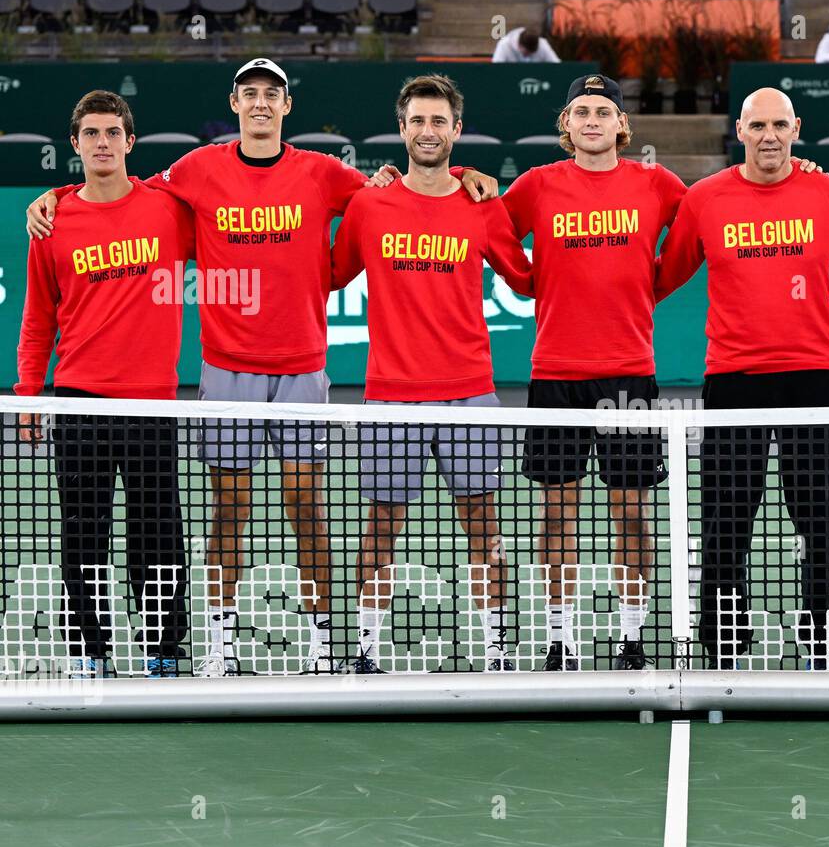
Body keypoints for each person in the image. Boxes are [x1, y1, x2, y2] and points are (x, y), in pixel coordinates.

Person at [25, 57, 500, 678]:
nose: (259, 104)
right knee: (228, 511)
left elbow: (409, 186)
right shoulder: (196, 169)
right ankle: (217, 650)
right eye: (249, 94)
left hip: (303, 369)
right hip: (225, 370)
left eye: (270, 95)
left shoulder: (325, 173)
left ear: (286, 107)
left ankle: (327, 645)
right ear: (234, 103)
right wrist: (57, 193)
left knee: (306, 508)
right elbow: (124, 190)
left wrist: (462, 172)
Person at [654, 87, 829, 670]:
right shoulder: (704, 198)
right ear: (740, 131)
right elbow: (664, 274)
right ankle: (725, 639)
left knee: (820, 516)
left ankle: (824, 639)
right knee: (726, 519)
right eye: (758, 126)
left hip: (816, 380)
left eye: (780, 125)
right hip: (733, 381)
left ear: (796, 128)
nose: (769, 136)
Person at [330, 75, 534, 674]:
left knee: (483, 523)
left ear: (456, 131)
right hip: (391, 395)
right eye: (417, 121)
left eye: (438, 121)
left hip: (470, 392)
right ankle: (366, 649)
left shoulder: (481, 204)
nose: (427, 131)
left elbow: (526, 279)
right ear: (401, 129)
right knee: (381, 525)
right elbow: (330, 276)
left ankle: (497, 647)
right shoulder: (369, 205)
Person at [501, 75, 685, 671]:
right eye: (580, 111)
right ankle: (563, 639)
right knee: (558, 516)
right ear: (567, 126)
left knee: (630, 512)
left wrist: (653, 285)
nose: (592, 120)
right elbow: (488, 232)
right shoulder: (536, 185)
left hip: (628, 375)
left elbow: (703, 227)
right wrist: (527, 282)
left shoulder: (656, 183)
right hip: (556, 374)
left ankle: (631, 637)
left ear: (621, 125)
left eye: (603, 111)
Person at [16, 91, 194, 679]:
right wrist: (27, 394)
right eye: (91, 133)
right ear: (75, 144)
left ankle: (162, 650)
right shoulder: (52, 222)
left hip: (151, 401)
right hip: (78, 400)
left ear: (129, 142)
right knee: (83, 535)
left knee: (158, 534)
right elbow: (38, 318)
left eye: (113, 132)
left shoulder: (169, 210)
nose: (102, 142)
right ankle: (88, 652)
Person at [492, 26, 560, 64]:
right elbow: (495, 69)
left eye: (532, 53)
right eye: (526, 53)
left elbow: (556, 65)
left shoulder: (543, 44)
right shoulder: (504, 45)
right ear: (519, 45)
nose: (528, 56)